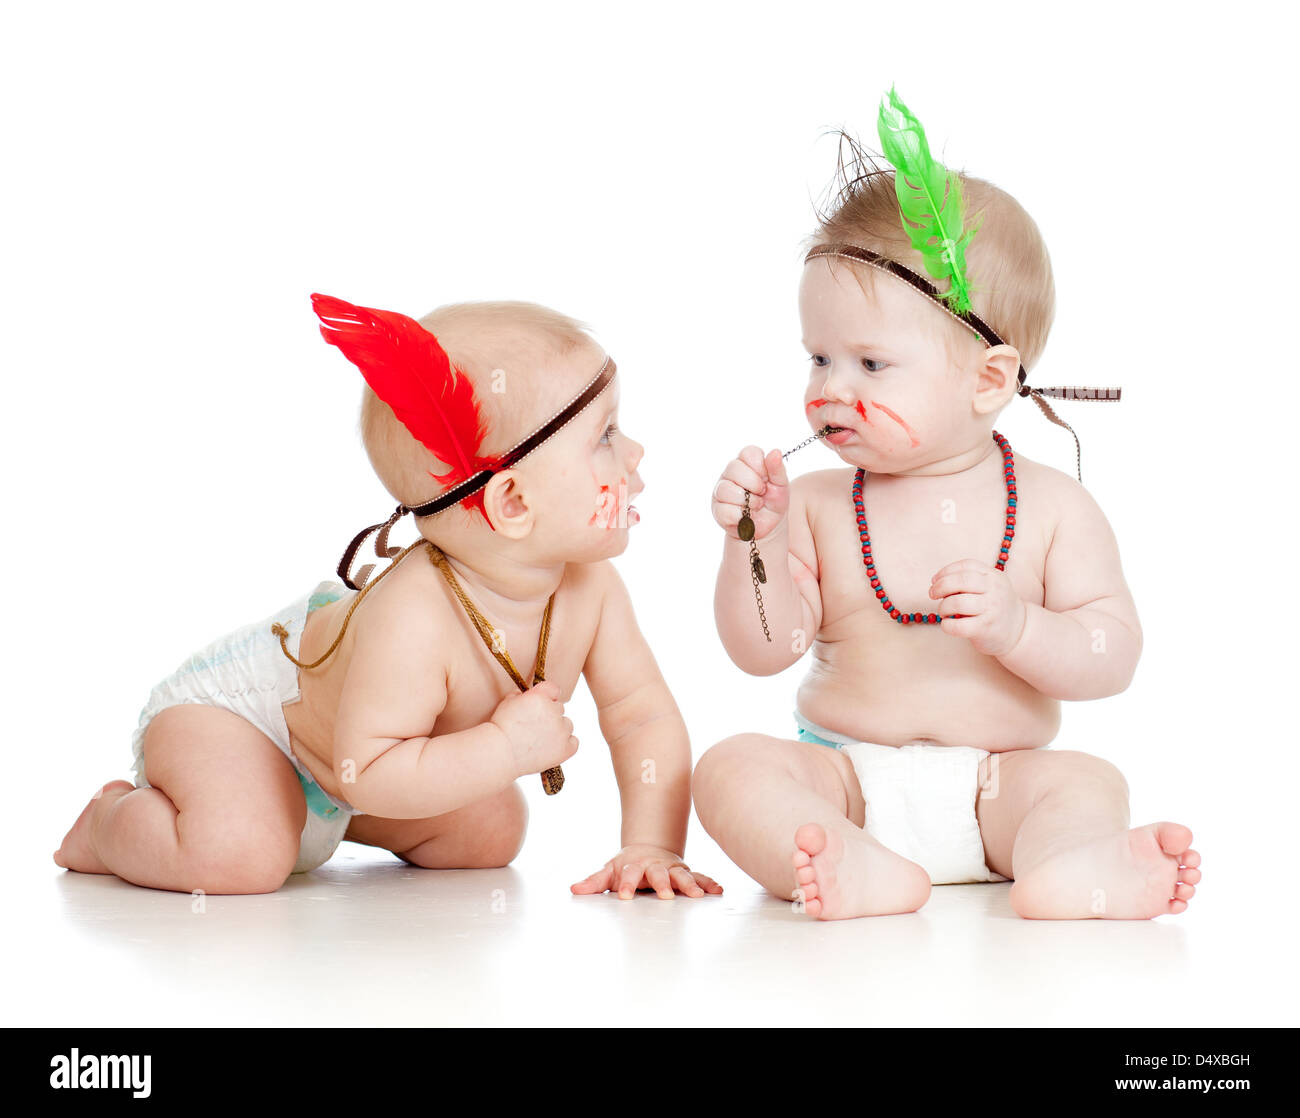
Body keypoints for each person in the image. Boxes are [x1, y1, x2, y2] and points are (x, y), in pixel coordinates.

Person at [694, 90, 1200, 920]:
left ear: (988, 380)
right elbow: (763, 650)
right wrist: (753, 542)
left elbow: (1113, 655)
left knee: (1083, 781)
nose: (829, 390)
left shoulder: (1053, 507)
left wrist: (1021, 629)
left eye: (870, 364)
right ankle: (845, 866)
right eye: (818, 358)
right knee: (730, 768)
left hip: (999, 785)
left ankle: (1069, 868)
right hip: (844, 779)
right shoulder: (818, 504)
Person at [55, 295, 721, 902]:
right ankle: (109, 825)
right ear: (512, 502)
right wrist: (504, 751)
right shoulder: (415, 613)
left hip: (348, 769)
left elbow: (641, 718)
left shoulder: (592, 589)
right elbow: (366, 768)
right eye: (605, 436)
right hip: (237, 720)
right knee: (241, 857)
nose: (635, 453)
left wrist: (652, 847)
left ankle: (309, 824)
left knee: (491, 833)